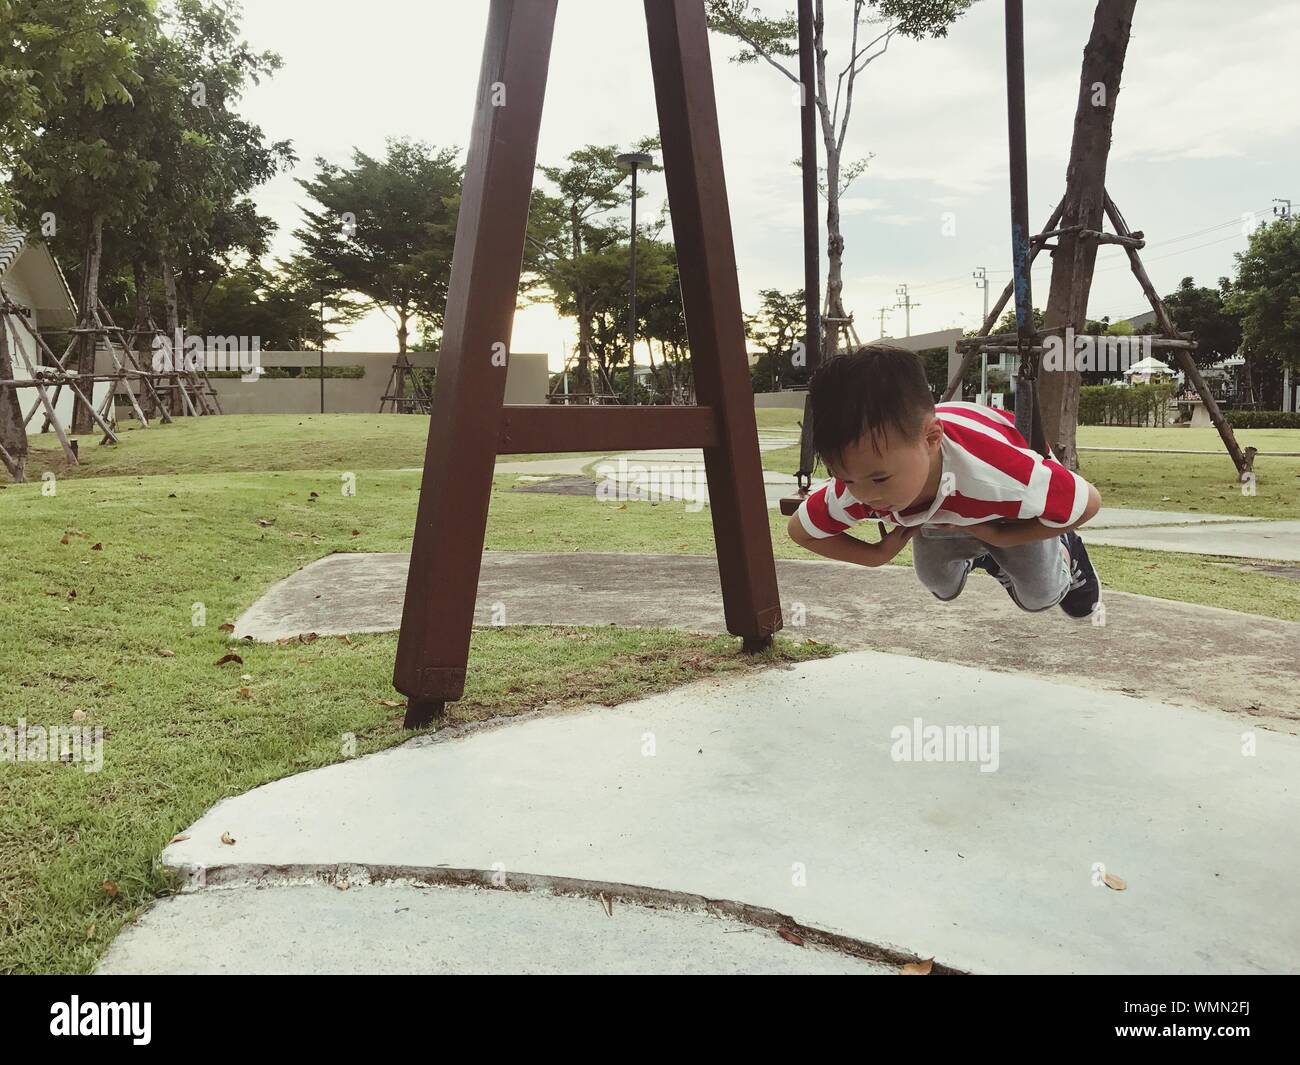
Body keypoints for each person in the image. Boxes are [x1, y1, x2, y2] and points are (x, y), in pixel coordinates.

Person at [786, 344, 1102, 618]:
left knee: (1038, 597)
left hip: (1006, 510)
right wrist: (875, 556)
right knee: (940, 585)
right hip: (939, 502)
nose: (867, 496)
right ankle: (984, 555)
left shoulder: (1004, 475)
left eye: (880, 479)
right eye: (847, 479)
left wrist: (1001, 537)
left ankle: (1066, 550)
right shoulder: (860, 478)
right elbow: (802, 531)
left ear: (932, 438)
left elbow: (1088, 502)